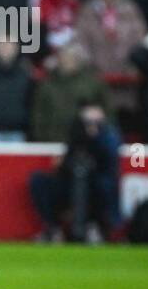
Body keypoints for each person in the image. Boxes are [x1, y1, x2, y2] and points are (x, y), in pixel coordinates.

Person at [29, 101, 122, 242]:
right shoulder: (76, 134)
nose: (91, 126)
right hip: (70, 185)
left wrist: (96, 136)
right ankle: (53, 229)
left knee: (104, 185)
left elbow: (110, 161)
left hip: (95, 188)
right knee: (39, 180)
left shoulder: (109, 136)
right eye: (87, 121)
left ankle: (96, 228)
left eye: (96, 122)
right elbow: (66, 163)